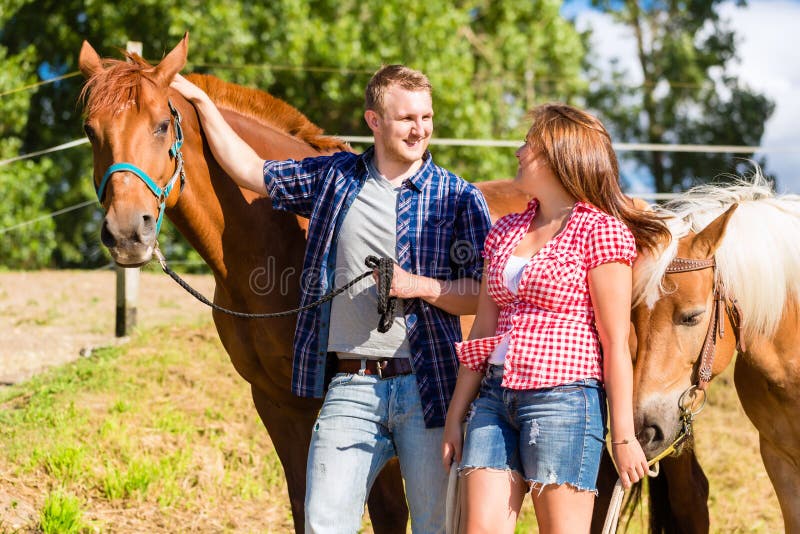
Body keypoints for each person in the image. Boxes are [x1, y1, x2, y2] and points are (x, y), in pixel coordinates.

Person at [171, 65, 492, 533]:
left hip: (428, 390)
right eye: (406, 118)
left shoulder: (458, 197)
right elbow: (249, 169)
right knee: (324, 524)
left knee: (435, 526)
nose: (419, 129)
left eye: (427, 116)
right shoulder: (333, 179)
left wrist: (417, 285)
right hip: (352, 386)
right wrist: (201, 103)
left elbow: (484, 296)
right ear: (374, 121)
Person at [441, 103, 669, 533]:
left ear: (558, 156)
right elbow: (485, 330)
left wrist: (621, 436)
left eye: (529, 144)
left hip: (563, 400)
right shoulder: (506, 230)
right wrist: (458, 412)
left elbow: (614, 342)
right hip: (493, 398)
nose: (519, 151)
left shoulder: (601, 231)